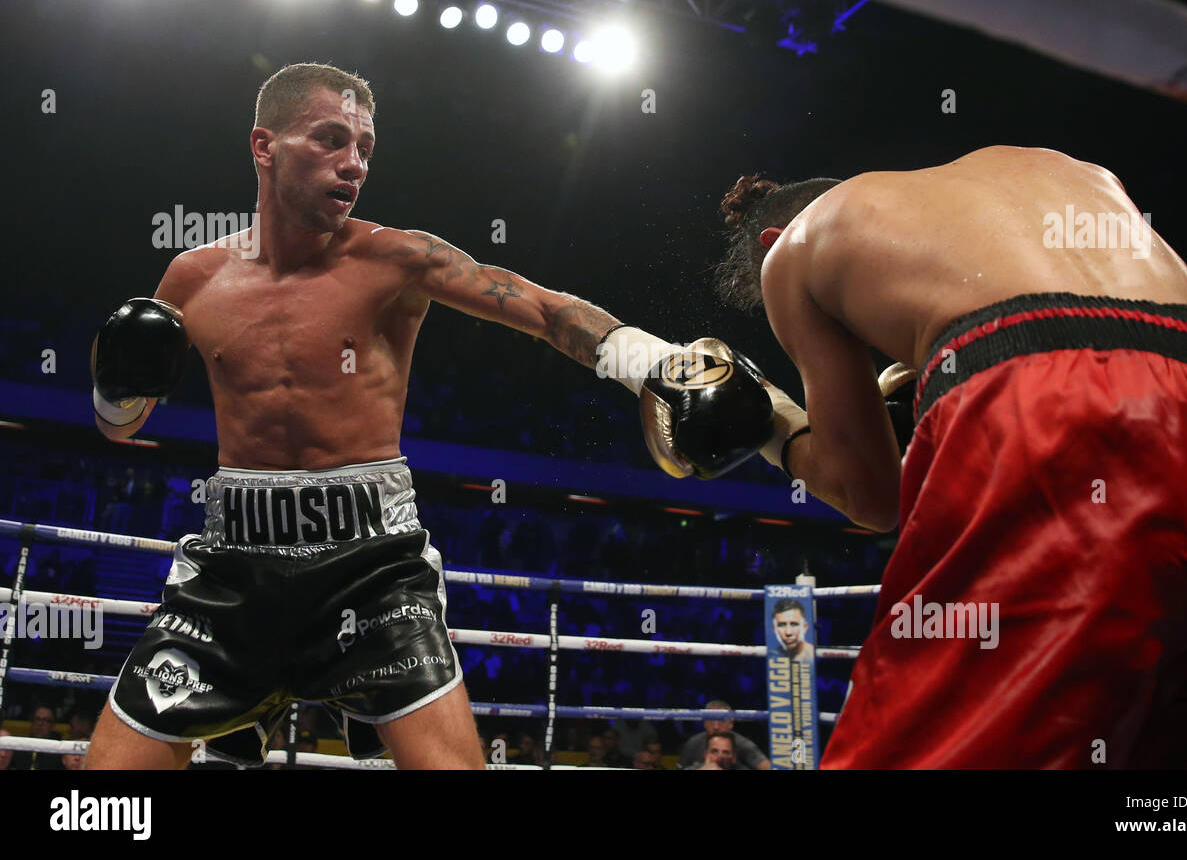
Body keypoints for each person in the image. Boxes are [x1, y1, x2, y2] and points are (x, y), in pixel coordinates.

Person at [83, 62, 768, 771]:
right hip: (231, 576)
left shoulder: (397, 258)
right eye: (330, 139)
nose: (353, 164)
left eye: (365, 149)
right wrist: (114, 388)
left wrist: (653, 362)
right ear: (264, 146)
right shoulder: (193, 277)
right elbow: (121, 427)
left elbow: (543, 308)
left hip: (371, 568)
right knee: (103, 798)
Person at [714, 146, 1187, 768]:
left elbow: (873, 497)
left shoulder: (791, 249)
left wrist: (774, 429)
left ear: (773, 237)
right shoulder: (1057, 167)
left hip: (1060, 411)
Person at [677, 700, 770, 770]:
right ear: (704, 723)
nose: (716, 726)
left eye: (721, 720)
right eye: (711, 720)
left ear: (731, 723)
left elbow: (767, 766)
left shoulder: (743, 744)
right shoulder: (694, 743)